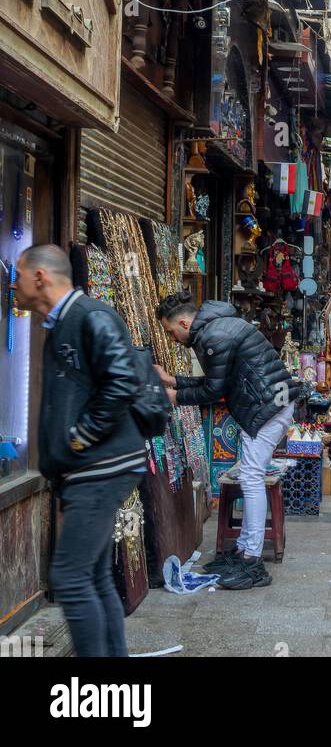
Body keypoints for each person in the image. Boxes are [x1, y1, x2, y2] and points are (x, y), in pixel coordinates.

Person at [15, 244, 147, 657]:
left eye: (18, 274)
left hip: (101, 466)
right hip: (91, 469)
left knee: (70, 576)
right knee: (92, 576)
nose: (12, 284)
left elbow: (122, 381)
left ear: (40, 278)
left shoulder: (88, 315)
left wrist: (79, 437)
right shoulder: (63, 322)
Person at [156, 291, 300, 590]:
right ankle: (245, 551)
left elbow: (212, 392)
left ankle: (253, 561)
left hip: (267, 406)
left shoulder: (213, 336)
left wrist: (175, 395)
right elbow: (216, 382)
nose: (172, 339)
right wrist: (176, 382)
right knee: (251, 475)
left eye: (171, 332)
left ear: (183, 323)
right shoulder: (215, 327)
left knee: (251, 477)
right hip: (268, 403)